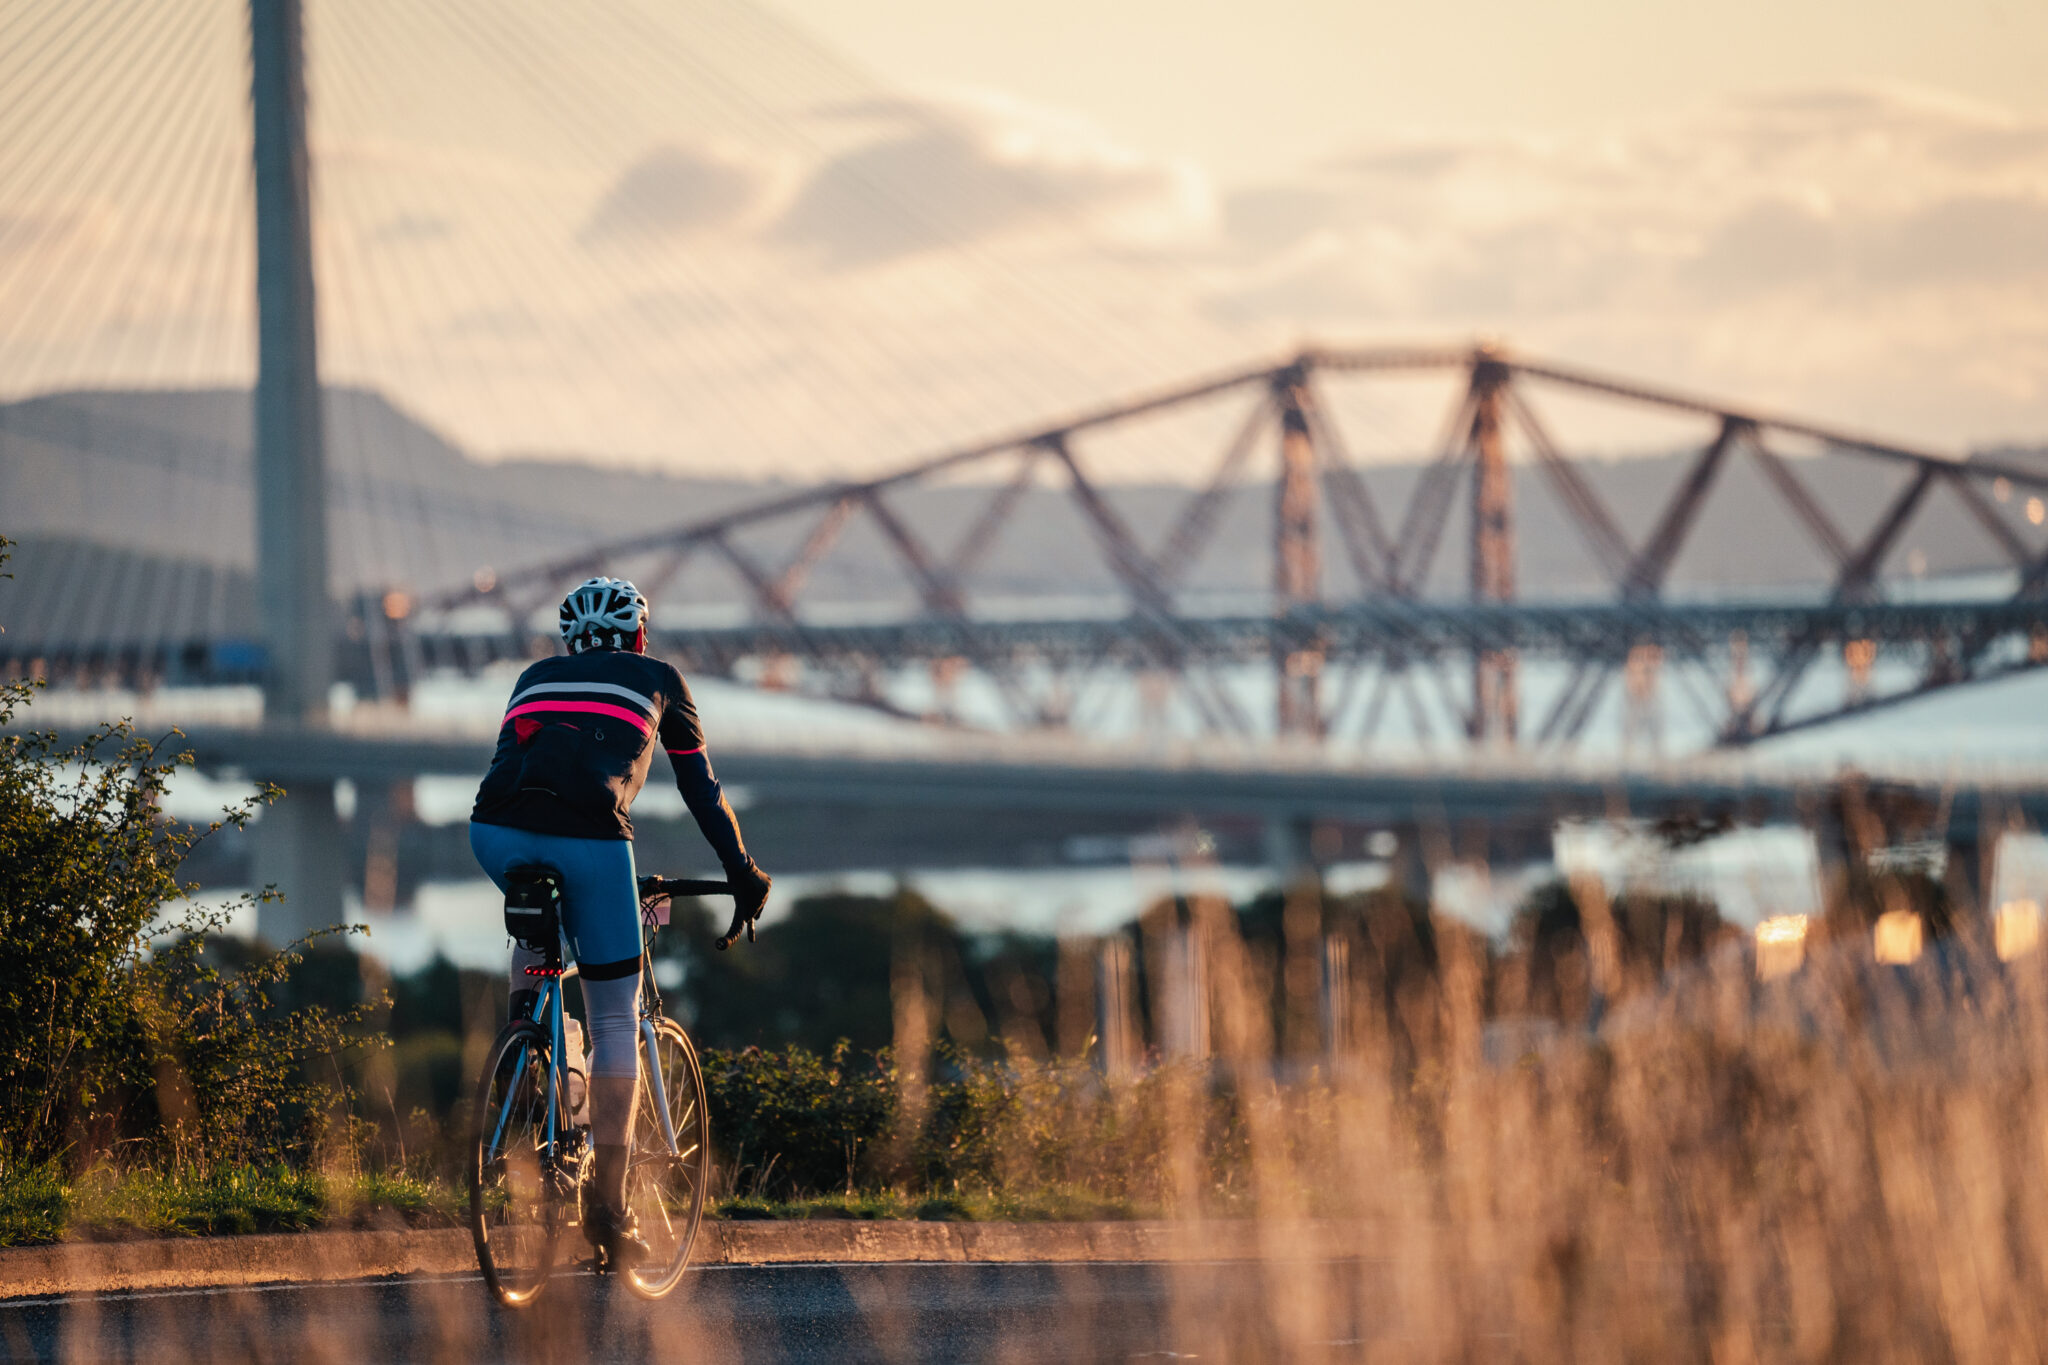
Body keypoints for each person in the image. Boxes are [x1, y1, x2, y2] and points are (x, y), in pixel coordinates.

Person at [468, 575, 771, 1267]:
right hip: (594, 838)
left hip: (493, 832)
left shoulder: (534, 674)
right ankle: (608, 1208)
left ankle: (527, 1038)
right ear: (638, 636)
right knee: (612, 1017)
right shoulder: (659, 676)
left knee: (539, 926)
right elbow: (702, 788)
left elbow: (518, 770)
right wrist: (743, 870)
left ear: (570, 641)